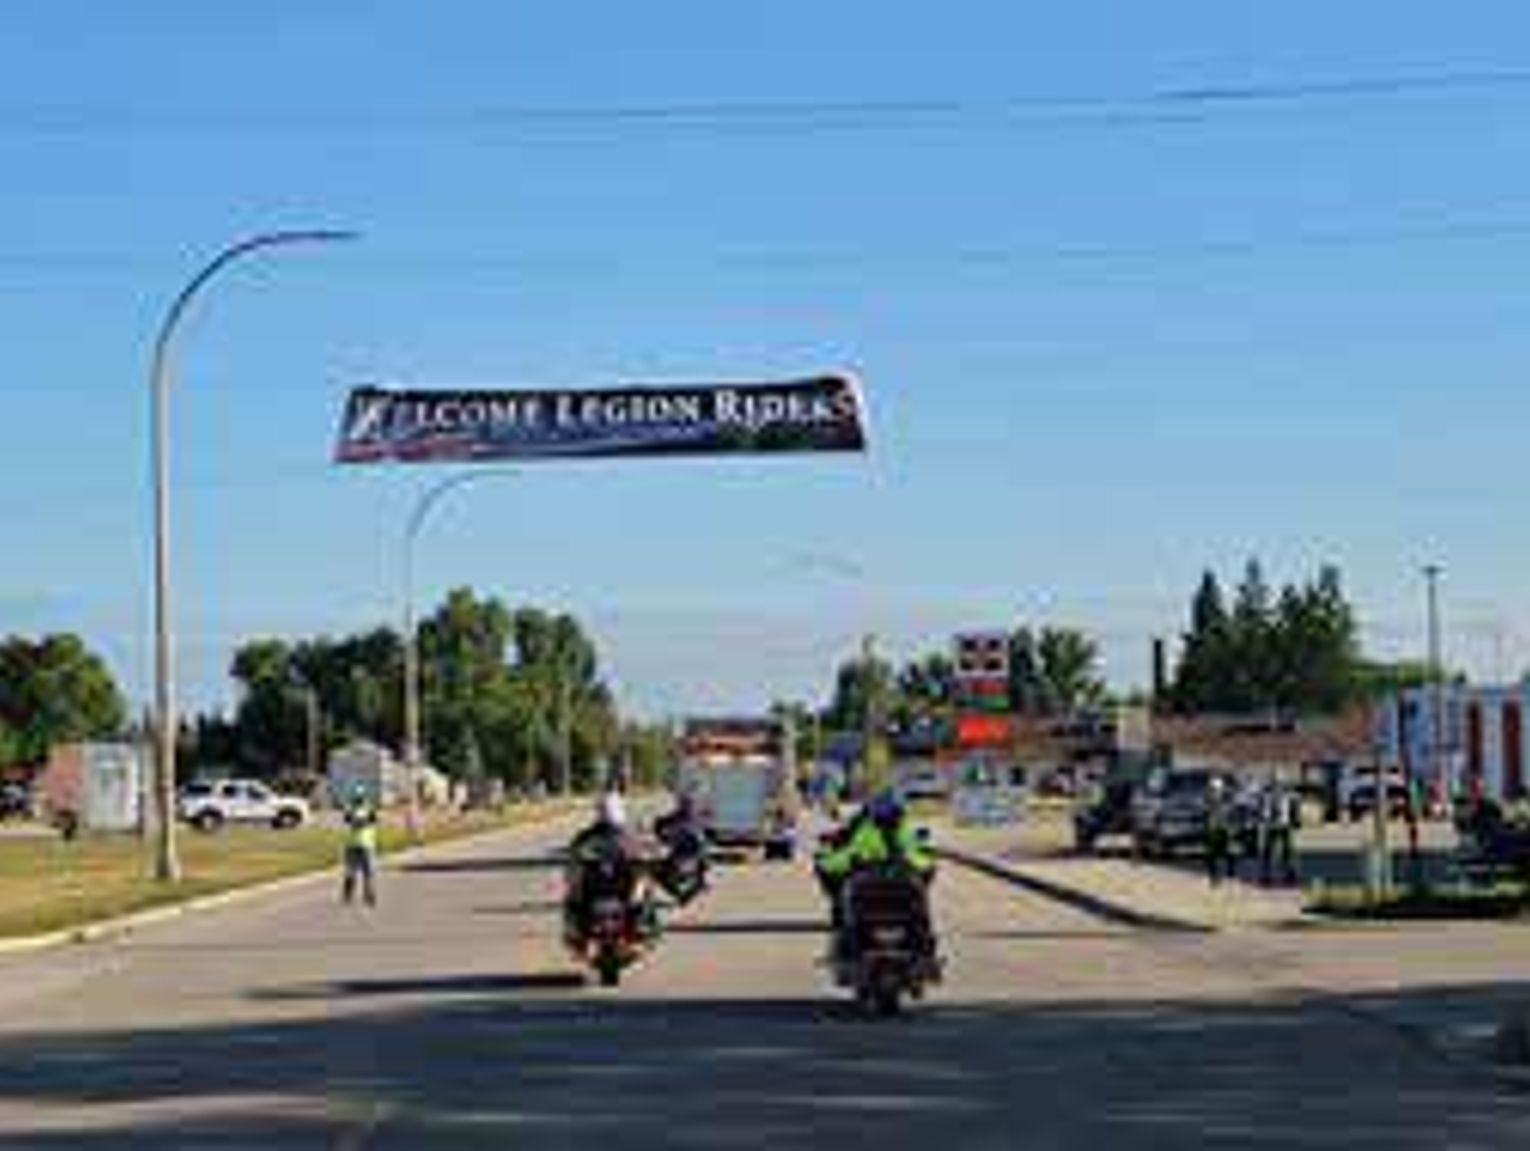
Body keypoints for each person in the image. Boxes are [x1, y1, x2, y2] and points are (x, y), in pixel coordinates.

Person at [816, 791, 936, 963]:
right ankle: (924, 952)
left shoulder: (868, 832)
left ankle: (924, 952)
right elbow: (922, 861)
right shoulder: (901, 833)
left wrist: (824, 862)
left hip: (874, 900)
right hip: (895, 897)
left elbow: (845, 858)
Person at [564, 791, 656, 944]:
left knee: (642, 885)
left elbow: (573, 854)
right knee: (643, 885)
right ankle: (576, 930)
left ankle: (639, 925)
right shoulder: (622, 833)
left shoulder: (622, 834)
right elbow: (574, 856)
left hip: (612, 887)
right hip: (602, 888)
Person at [341, 784, 379, 907]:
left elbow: (371, 820)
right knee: (356, 871)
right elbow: (348, 820)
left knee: (364, 872)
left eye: (359, 798)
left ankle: (367, 895)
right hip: (358, 844)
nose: (358, 800)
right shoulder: (356, 809)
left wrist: (358, 821)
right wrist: (359, 821)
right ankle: (352, 895)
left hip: (361, 844)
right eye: (358, 798)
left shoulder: (366, 809)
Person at [1258, 777, 1300, 886]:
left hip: (1284, 825)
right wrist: (1262, 819)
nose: (1277, 787)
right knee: (1267, 852)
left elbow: (1294, 810)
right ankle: (1265, 876)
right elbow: (1260, 809)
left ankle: (1290, 876)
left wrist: (1295, 821)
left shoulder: (1290, 796)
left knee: (1288, 852)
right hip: (1270, 826)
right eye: (1275, 784)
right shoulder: (1266, 796)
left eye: (1280, 784)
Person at [1203, 776, 1234, 888]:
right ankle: (1214, 877)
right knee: (1212, 855)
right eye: (1213, 789)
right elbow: (1205, 814)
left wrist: (1229, 828)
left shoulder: (1226, 800)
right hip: (1212, 829)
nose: (1214, 792)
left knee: (1221, 854)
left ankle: (1220, 876)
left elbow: (1230, 814)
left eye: (1216, 789)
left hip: (1222, 829)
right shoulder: (1208, 800)